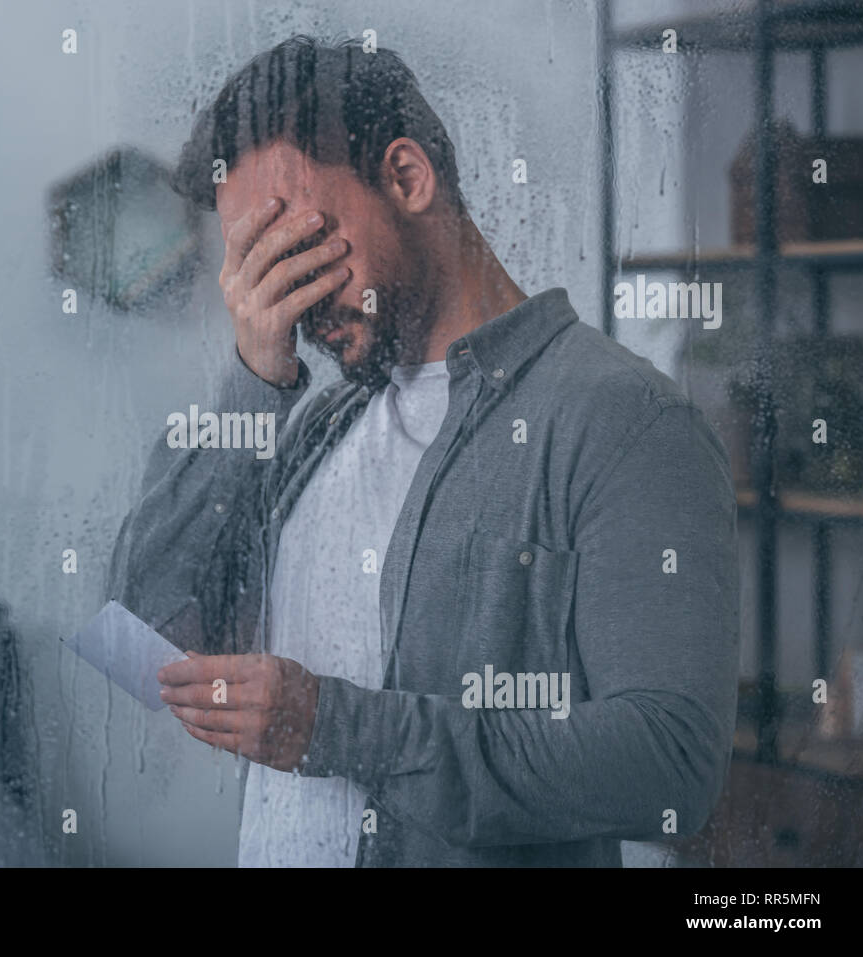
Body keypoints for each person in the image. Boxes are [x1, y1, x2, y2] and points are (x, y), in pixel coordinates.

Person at [106, 36, 739, 867]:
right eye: (253, 267)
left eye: (293, 247)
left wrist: (337, 728)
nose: (283, 297)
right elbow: (135, 634)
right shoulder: (316, 424)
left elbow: (670, 768)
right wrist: (253, 377)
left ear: (407, 179)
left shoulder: (624, 419)